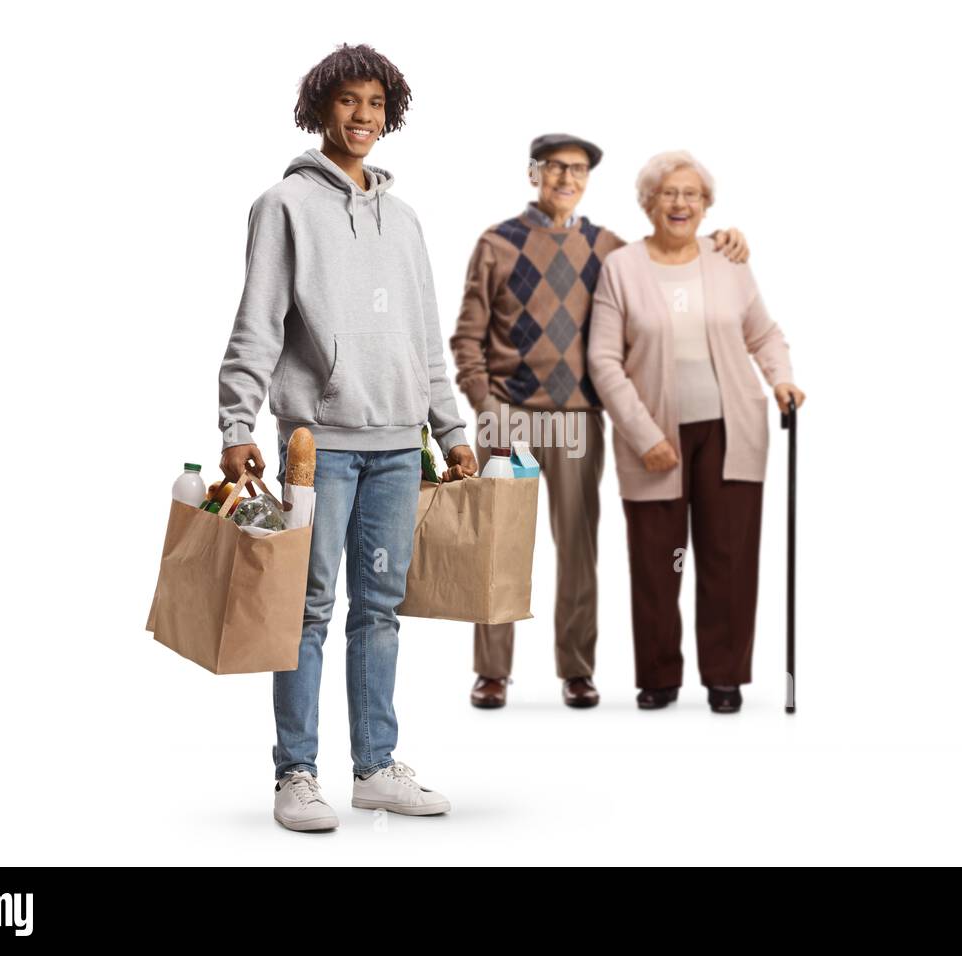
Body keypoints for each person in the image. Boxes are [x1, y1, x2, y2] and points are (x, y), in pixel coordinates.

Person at [216, 44, 477, 831]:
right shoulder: (284, 205)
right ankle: (296, 773)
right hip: (316, 448)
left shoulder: (404, 220)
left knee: (381, 609)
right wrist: (236, 423)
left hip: (401, 448)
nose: (362, 117)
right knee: (306, 608)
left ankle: (374, 768)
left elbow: (427, 341)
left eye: (375, 104)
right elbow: (257, 325)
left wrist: (451, 427)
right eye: (347, 102)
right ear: (319, 108)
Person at [450, 133, 751, 710]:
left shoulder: (607, 247)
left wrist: (719, 239)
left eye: (579, 171)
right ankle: (492, 670)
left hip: (579, 418)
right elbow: (468, 336)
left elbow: (664, 255)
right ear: (535, 172)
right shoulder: (497, 243)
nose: (567, 179)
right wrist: (484, 406)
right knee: (498, 544)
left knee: (579, 548)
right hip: (508, 416)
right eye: (557, 168)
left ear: (588, 180)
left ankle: (576, 668)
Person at [586, 150, 807, 714]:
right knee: (659, 560)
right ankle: (658, 676)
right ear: (649, 203)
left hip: (732, 431)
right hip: (655, 435)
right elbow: (604, 361)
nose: (680, 203)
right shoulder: (623, 268)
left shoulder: (728, 260)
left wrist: (782, 380)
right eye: (668, 193)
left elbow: (764, 335)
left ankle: (725, 676)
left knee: (728, 558)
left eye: (692, 194)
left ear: (706, 205)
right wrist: (645, 436)